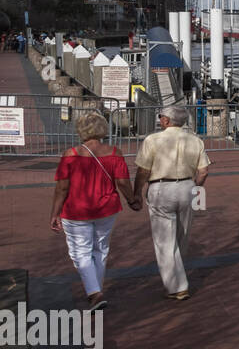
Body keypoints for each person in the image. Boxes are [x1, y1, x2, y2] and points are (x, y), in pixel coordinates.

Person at [50, 110, 141, 311]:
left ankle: (94, 293)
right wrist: (132, 200)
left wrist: (55, 212)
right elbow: (123, 183)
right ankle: (95, 289)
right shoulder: (115, 153)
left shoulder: (71, 155)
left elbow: (62, 188)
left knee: (80, 252)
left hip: (76, 210)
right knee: (101, 248)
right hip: (106, 207)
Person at [133, 105, 210, 301]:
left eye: (161, 117)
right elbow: (203, 171)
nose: (159, 120)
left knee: (164, 240)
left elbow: (142, 171)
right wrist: (196, 189)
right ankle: (178, 274)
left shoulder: (153, 140)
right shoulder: (195, 140)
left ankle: (177, 285)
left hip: (161, 187)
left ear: (166, 120)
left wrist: (137, 193)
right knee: (182, 235)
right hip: (187, 186)